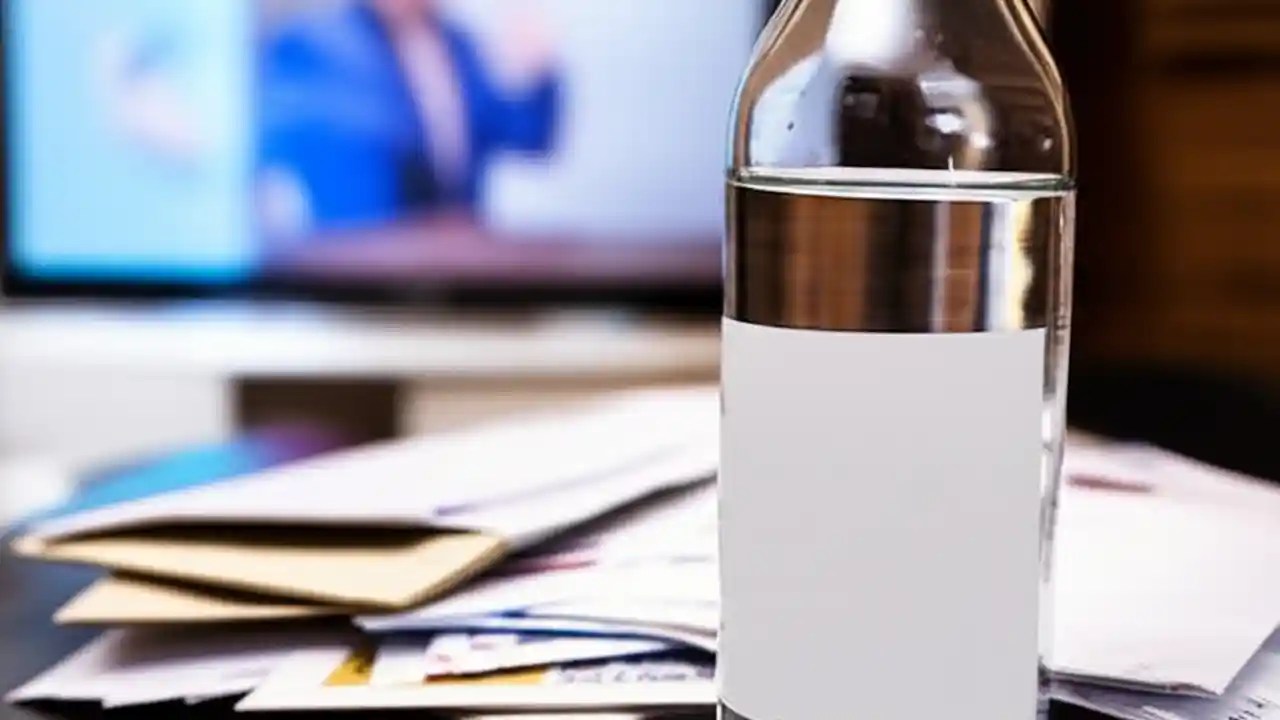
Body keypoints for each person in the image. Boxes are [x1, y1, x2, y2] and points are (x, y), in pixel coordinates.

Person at [259, 0, 562, 235]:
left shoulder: (459, 45)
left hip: (454, 272)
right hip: (357, 272)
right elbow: (276, 138)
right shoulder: (317, 42)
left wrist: (538, 75)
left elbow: (528, 136)